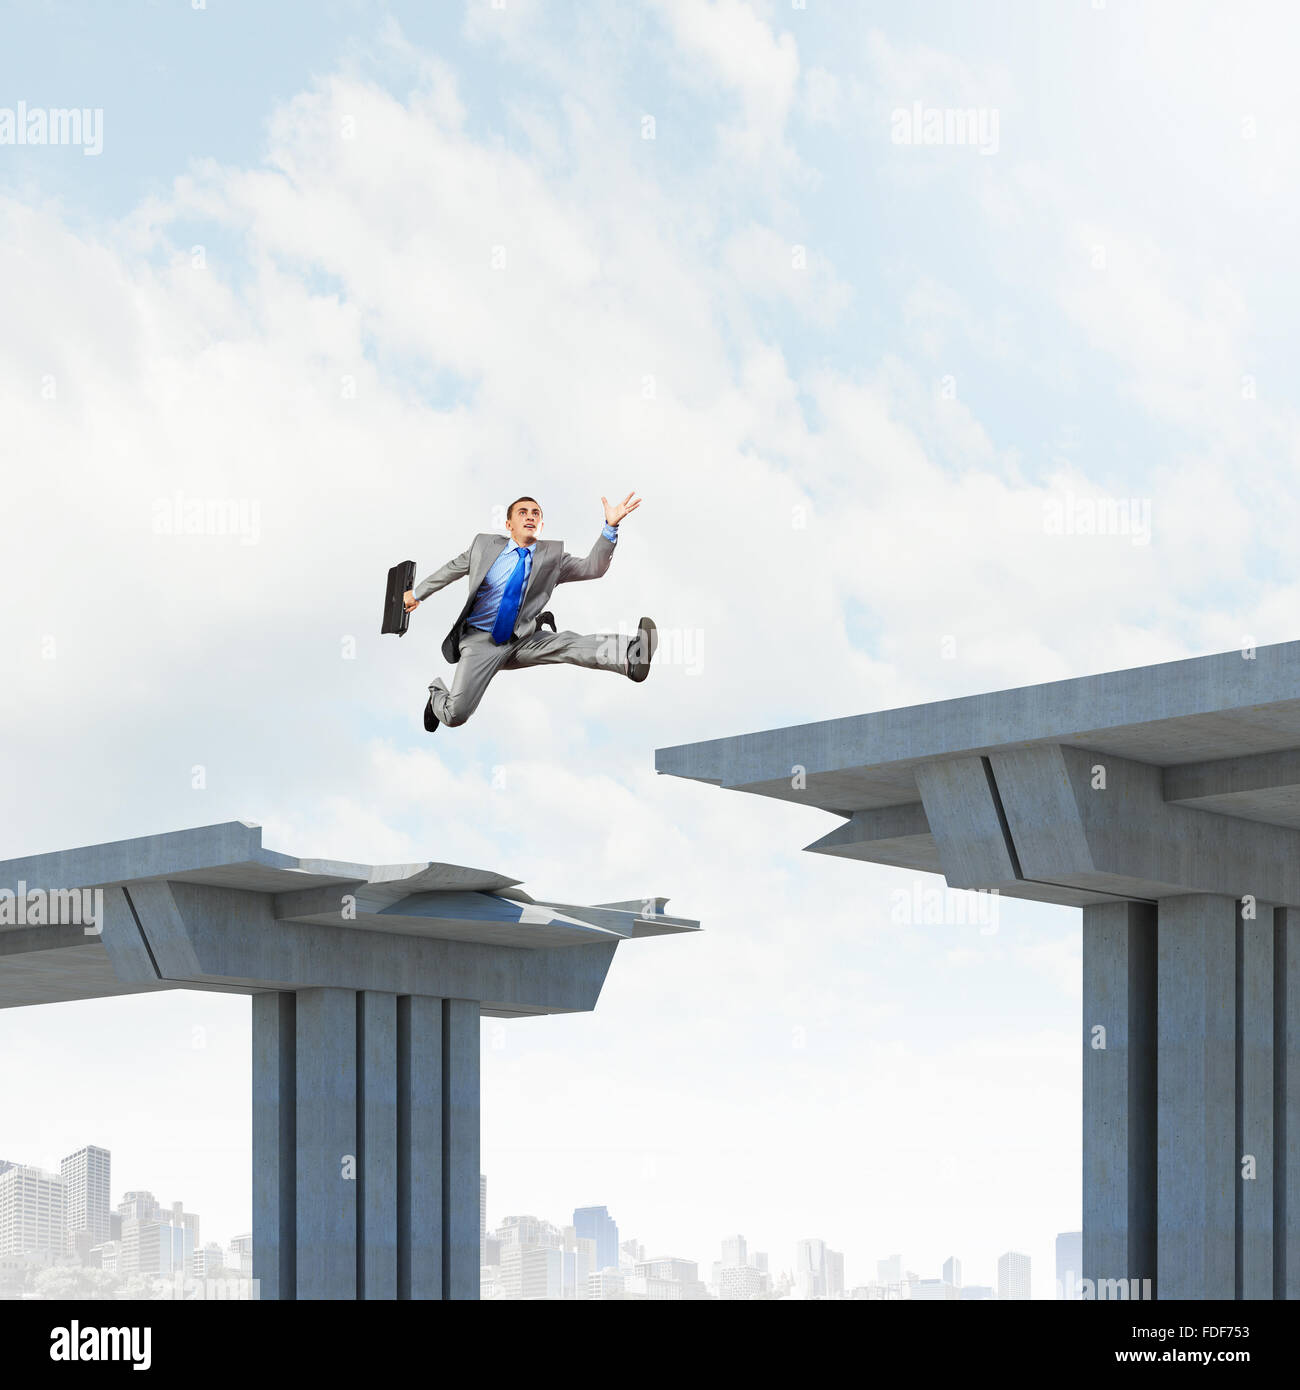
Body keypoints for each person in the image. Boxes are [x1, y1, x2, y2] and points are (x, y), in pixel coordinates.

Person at [403, 492, 656, 731]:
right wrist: (416, 595)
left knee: (567, 644)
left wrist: (610, 528)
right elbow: (451, 569)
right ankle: (436, 694)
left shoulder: (552, 557)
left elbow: (593, 568)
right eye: (522, 512)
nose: (530, 516)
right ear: (508, 524)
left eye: (535, 513)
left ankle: (630, 655)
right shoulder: (483, 546)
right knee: (455, 715)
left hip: (521, 639)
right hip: (480, 643)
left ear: (541, 525)